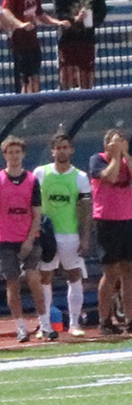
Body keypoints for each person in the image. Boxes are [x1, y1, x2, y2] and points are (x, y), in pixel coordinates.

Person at [0, 136, 48, 342]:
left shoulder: (31, 180)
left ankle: (45, 324)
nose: (14, 155)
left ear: (23, 154)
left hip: (28, 236)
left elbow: (36, 213)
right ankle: (20, 326)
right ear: (5, 155)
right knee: (12, 283)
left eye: (18, 152)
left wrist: (30, 239)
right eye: (10, 152)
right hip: (6, 238)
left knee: (34, 278)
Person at [35, 132, 92, 338]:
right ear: (52, 151)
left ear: (71, 150)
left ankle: (74, 323)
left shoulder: (80, 177)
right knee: (45, 277)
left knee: (74, 274)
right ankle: (45, 324)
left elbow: (85, 208)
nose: (62, 151)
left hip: (70, 233)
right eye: (58, 148)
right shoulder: (41, 173)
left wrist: (84, 236)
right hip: (47, 234)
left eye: (65, 147)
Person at [88, 129, 132, 334]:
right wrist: (115, 157)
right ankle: (105, 320)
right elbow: (110, 177)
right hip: (106, 221)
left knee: (128, 271)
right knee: (111, 271)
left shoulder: (127, 161)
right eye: (116, 141)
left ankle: (130, 318)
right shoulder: (97, 160)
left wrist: (126, 156)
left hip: (127, 220)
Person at [3, 0, 62, 93]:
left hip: (32, 40)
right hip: (18, 40)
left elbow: (40, 14)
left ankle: (35, 99)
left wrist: (57, 22)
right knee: (25, 77)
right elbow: (6, 11)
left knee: (35, 74)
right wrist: (20, 24)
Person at [52, 0, 108, 90]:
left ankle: (87, 102)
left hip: (87, 37)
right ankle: (65, 102)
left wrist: (93, 22)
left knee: (87, 73)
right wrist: (75, 19)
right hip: (68, 37)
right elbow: (59, 13)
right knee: (67, 73)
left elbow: (102, 10)